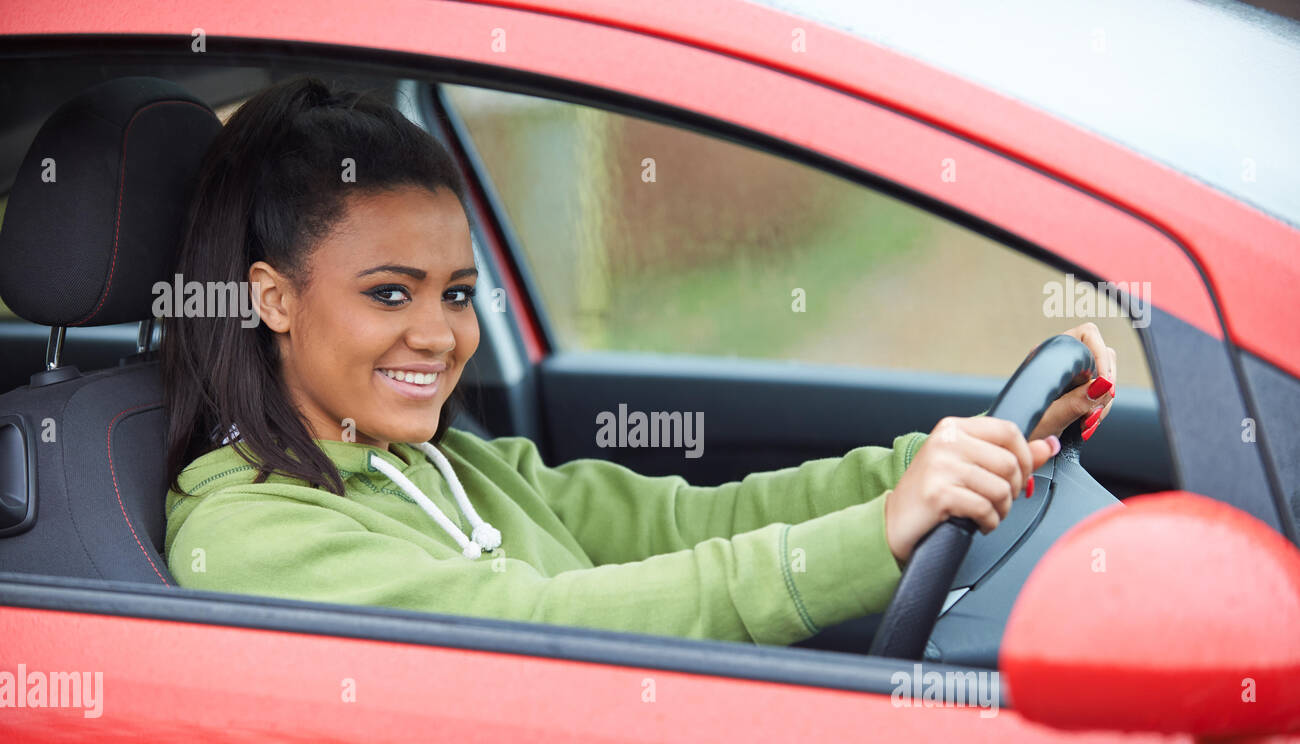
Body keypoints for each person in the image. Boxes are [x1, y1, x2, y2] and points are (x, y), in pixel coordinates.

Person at [161, 77, 1116, 646]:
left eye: (456, 292)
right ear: (273, 297)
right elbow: (540, 626)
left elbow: (682, 521)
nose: (440, 335)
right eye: (388, 292)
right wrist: (879, 536)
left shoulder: (449, 464)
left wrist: (941, 466)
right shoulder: (251, 534)